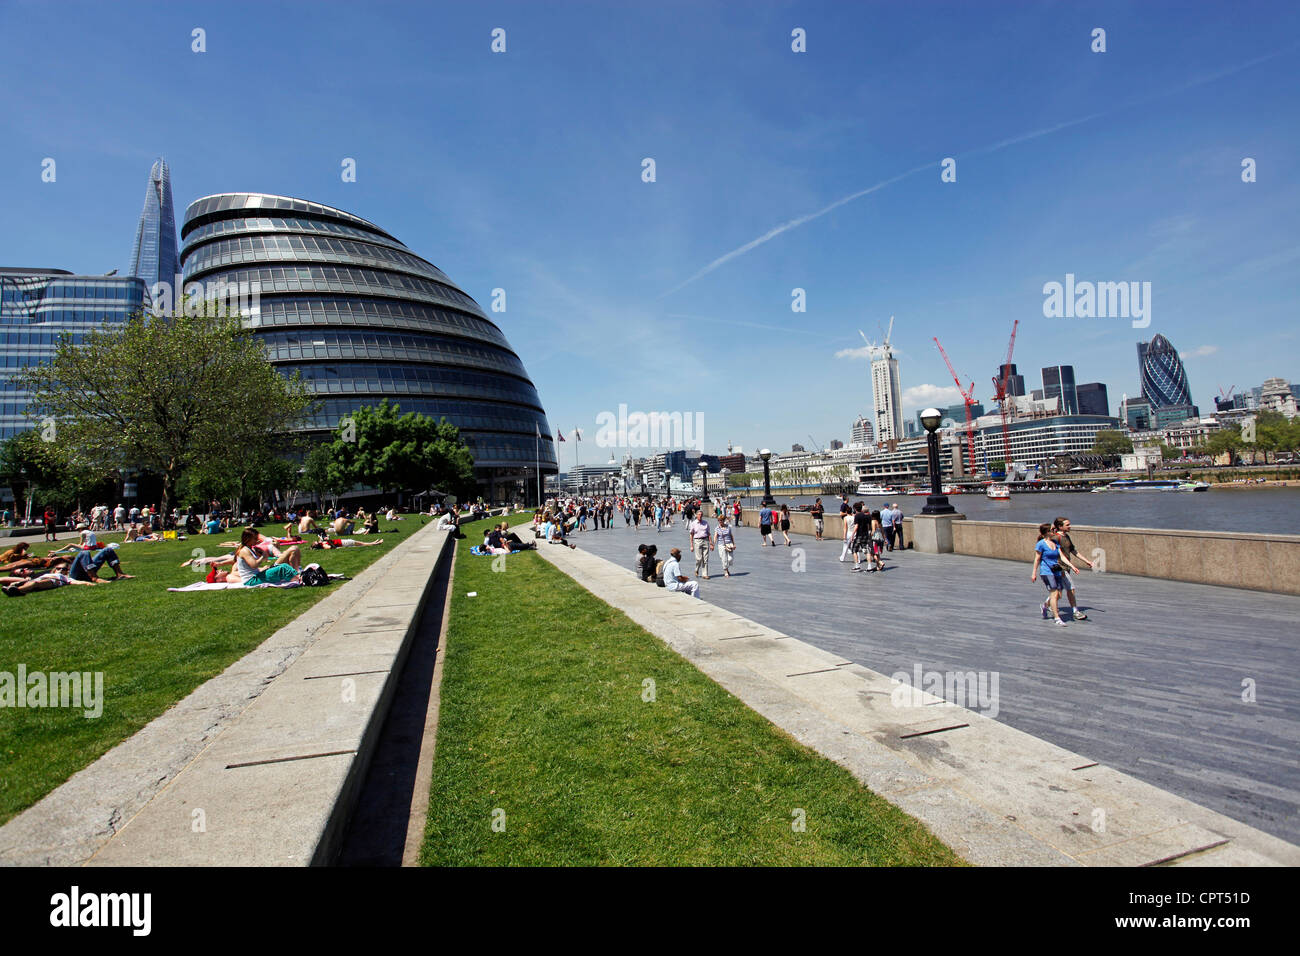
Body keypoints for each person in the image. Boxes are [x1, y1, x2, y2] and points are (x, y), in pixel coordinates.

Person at [1031, 522, 1077, 627]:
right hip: (1046, 571)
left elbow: (1062, 557)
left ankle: (1045, 606)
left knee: (1059, 594)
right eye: (1053, 530)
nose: (1055, 531)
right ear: (1047, 532)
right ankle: (1057, 618)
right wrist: (1034, 573)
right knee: (1054, 593)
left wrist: (1072, 566)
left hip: (1057, 569)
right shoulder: (1041, 544)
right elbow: (1037, 559)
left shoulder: (1056, 543)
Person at [1052, 516, 1092, 620]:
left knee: (1058, 592)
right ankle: (1075, 611)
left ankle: (1046, 605)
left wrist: (1087, 561)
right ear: (1060, 527)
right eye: (1067, 525)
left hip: (1066, 567)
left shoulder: (1067, 536)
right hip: (1059, 568)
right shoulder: (1056, 538)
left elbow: (1073, 551)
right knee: (1071, 588)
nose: (1070, 526)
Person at [68, 545, 133, 583]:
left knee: (108, 550)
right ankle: (94, 578)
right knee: (84, 553)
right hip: (74, 575)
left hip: (85, 568)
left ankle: (120, 574)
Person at [689, 511, 711, 579]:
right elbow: (691, 534)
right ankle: (696, 569)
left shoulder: (706, 523)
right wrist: (691, 545)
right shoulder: (693, 523)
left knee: (705, 558)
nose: (700, 516)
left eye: (701, 514)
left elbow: (709, 533)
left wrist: (711, 543)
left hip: (705, 540)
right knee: (699, 558)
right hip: (697, 540)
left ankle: (705, 574)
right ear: (696, 515)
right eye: (699, 514)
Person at [849, 502, 870, 572]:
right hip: (865, 535)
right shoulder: (865, 515)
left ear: (855, 509)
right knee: (866, 551)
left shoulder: (857, 516)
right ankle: (869, 566)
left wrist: (852, 535)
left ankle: (857, 566)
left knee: (854, 550)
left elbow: (856, 526)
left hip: (859, 535)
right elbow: (868, 526)